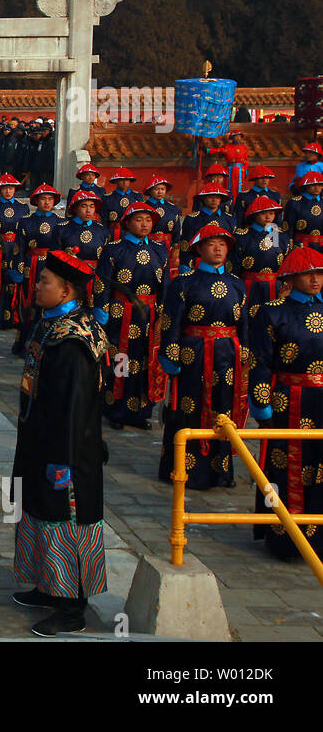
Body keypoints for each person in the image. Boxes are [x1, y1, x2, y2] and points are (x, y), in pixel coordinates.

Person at [11, 250, 110, 637]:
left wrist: (63, 459)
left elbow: (72, 408)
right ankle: (47, 585)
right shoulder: (50, 324)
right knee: (37, 507)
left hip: (65, 448)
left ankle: (72, 607)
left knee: (65, 516)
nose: (37, 287)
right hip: (39, 437)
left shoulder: (73, 340)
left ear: (67, 289)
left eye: (44, 282)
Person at [158, 223, 248, 489]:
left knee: (223, 409)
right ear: (198, 249)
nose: (218, 249)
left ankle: (221, 471)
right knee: (189, 408)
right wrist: (170, 356)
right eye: (211, 244)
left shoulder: (237, 284)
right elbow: (170, 322)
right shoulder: (184, 283)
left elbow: (243, 326)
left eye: (223, 244)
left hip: (227, 354)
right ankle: (185, 469)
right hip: (193, 354)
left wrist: (244, 355)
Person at [247, 246, 323, 561]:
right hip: (289, 399)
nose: (316, 280)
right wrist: (261, 400)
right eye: (309, 274)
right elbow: (260, 361)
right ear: (291, 277)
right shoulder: (272, 311)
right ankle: (285, 539)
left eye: (320, 274)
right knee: (285, 465)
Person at [93, 202, 169, 432]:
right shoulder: (114, 248)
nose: (144, 224)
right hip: (121, 313)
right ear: (127, 222)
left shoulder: (160, 249)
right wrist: (101, 308)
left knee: (146, 361)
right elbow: (103, 281)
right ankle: (115, 409)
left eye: (148, 220)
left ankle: (140, 411)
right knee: (121, 359)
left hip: (149, 314)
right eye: (138, 219)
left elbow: (165, 283)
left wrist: (165, 311)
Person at [11, 183, 62, 354]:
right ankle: (26, 343)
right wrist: (18, 269)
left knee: (52, 303)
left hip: (53, 268)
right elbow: (18, 248)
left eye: (50, 199)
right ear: (36, 201)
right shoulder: (25, 222)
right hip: (31, 267)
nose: (47, 202)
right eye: (43, 199)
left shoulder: (60, 223)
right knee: (30, 304)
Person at [0, 173, 28, 331]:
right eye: (5, 188)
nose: (8, 191)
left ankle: (13, 318)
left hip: (16, 249)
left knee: (14, 283)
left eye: (11, 188)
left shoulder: (22, 207)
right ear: (0, 189)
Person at [234, 195, 287, 312]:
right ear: (254, 215)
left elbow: (285, 262)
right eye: (264, 213)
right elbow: (235, 266)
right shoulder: (242, 237)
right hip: (249, 285)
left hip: (275, 286)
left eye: (271, 213)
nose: (268, 216)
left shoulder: (281, 237)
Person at [57, 190, 108, 269]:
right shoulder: (62, 229)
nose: (88, 211)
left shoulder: (102, 230)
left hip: (94, 277)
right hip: (69, 276)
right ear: (75, 208)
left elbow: (105, 261)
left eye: (92, 206)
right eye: (84, 206)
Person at [285, 170, 323, 249]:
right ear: (305, 186)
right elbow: (288, 228)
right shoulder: (294, 203)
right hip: (301, 246)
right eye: (313, 185)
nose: (317, 188)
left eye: (320, 184)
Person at [104, 169, 142, 240]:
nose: (124, 182)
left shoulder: (137, 196)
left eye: (127, 180)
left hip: (132, 232)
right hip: (112, 233)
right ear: (116, 181)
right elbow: (104, 219)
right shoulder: (107, 197)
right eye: (121, 180)